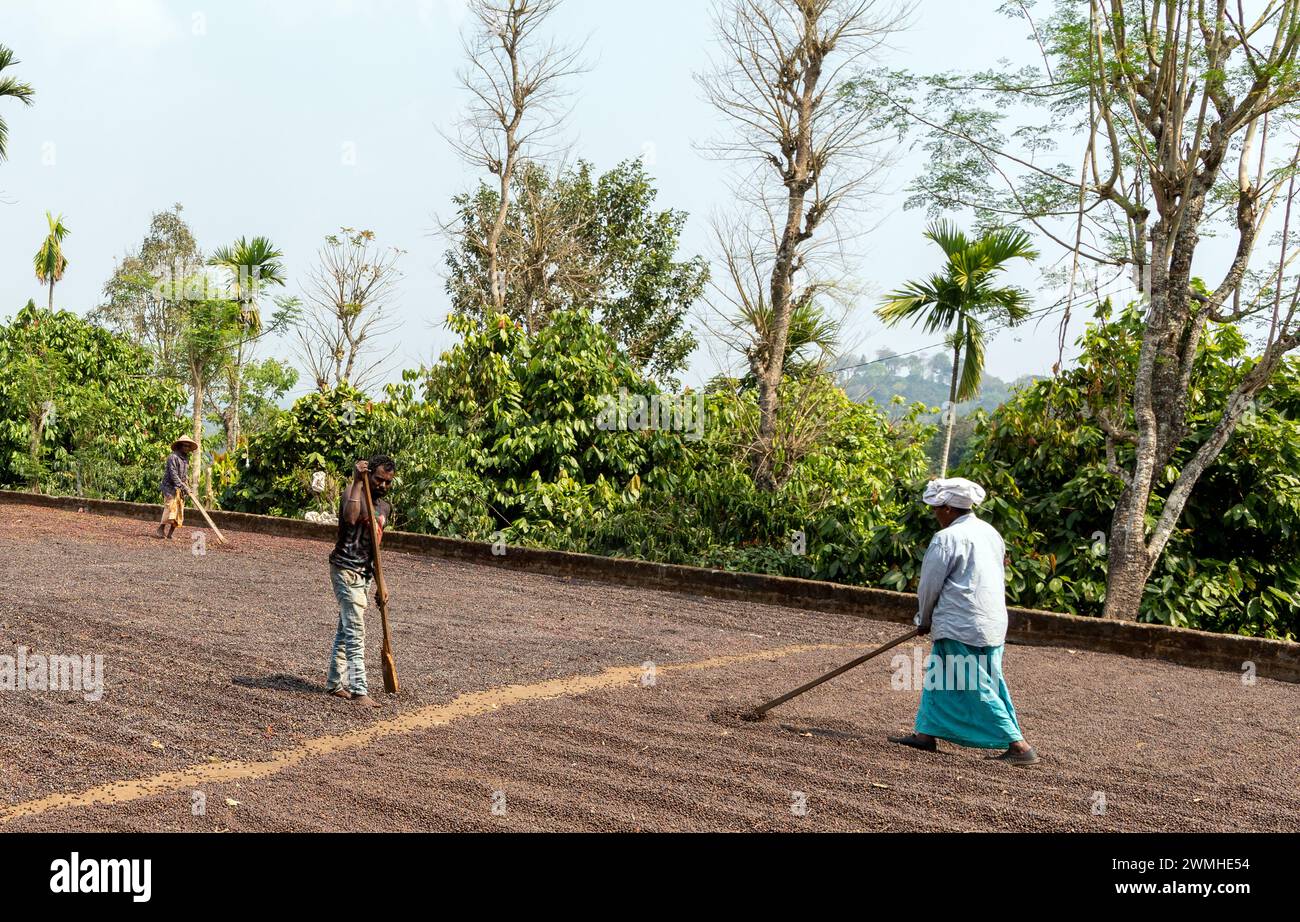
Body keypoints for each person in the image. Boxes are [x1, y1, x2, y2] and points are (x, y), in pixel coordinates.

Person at [888, 477, 1040, 766]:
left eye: (936, 508)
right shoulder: (990, 532)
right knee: (943, 677)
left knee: (976, 683)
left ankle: (1019, 746)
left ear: (947, 508)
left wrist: (924, 618)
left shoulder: (946, 539)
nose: (935, 513)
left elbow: (930, 585)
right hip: (991, 621)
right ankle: (925, 734)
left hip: (962, 623)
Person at [325, 455, 395, 708]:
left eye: (388, 482)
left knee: (345, 630)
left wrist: (381, 583)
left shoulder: (384, 508)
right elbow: (351, 517)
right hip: (344, 570)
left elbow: (375, 549)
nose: (383, 486)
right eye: (378, 480)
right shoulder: (352, 494)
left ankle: (334, 683)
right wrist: (356, 481)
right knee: (356, 632)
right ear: (368, 476)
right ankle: (358, 689)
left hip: (365, 574)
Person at [156, 436, 197, 540]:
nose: (187, 448)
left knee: (179, 510)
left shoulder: (186, 458)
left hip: (180, 487)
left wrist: (187, 485)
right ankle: (161, 528)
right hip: (169, 487)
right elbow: (173, 474)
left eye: (188, 446)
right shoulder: (172, 457)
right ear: (180, 446)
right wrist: (183, 486)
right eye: (185, 446)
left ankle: (170, 533)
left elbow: (184, 475)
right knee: (170, 508)